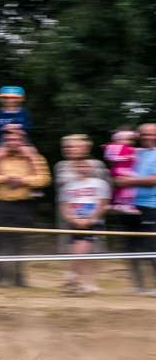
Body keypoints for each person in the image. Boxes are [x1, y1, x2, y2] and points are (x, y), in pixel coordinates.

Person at [0, 125, 50, 286]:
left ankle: (18, 278)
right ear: (4, 141)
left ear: (23, 141)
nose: (12, 142)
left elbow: (44, 179)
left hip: (24, 204)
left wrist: (23, 180)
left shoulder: (34, 157)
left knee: (20, 241)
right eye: (8, 139)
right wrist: (4, 178)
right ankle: (0, 278)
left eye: (16, 139)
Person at [55, 134, 110, 294]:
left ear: (85, 147)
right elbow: (63, 192)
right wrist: (71, 216)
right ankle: (75, 280)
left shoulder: (96, 165)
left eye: (74, 146)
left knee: (89, 250)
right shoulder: (62, 166)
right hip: (70, 212)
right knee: (75, 249)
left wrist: (94, 216)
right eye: (67, 147)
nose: (70, 150)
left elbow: (103, 194)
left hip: (93, 215)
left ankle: (85, 282)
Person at [103, 128, 147, 291]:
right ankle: (137, 283)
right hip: (122, 174)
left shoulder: (135, 150)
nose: (128, 143)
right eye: (125, 139)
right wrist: (127, 155)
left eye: (130, 140)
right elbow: (110, 156)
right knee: (125, 189)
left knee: (128, 190)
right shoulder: (115, 147)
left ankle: (123, 204)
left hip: (131, 179)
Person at [126, 123, 156, 295]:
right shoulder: (134, 153)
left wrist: (128, 182)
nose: (147, 137)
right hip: (130, 205)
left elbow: (153, 179)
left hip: (152, 205)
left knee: (152, 245)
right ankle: (138, 285)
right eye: (144, 134)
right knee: (131, 246)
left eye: (151, 134)